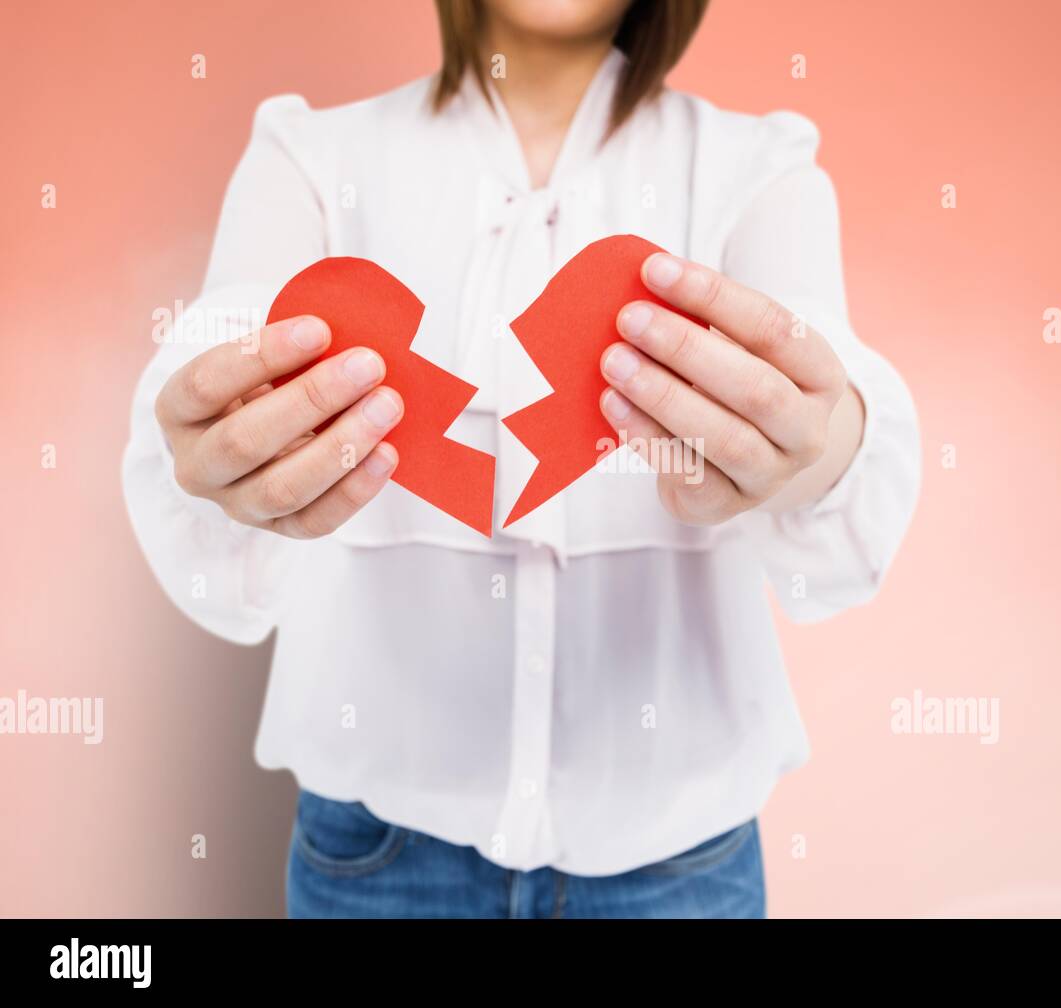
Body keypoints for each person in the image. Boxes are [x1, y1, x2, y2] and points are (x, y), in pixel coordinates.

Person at [122, 0, 921, 918]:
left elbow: (837, 406)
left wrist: (820, 449)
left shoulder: (758, 168)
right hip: (372, 862)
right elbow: (216, 351)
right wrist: (210, 445)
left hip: (682, 866)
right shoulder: (309, 157)